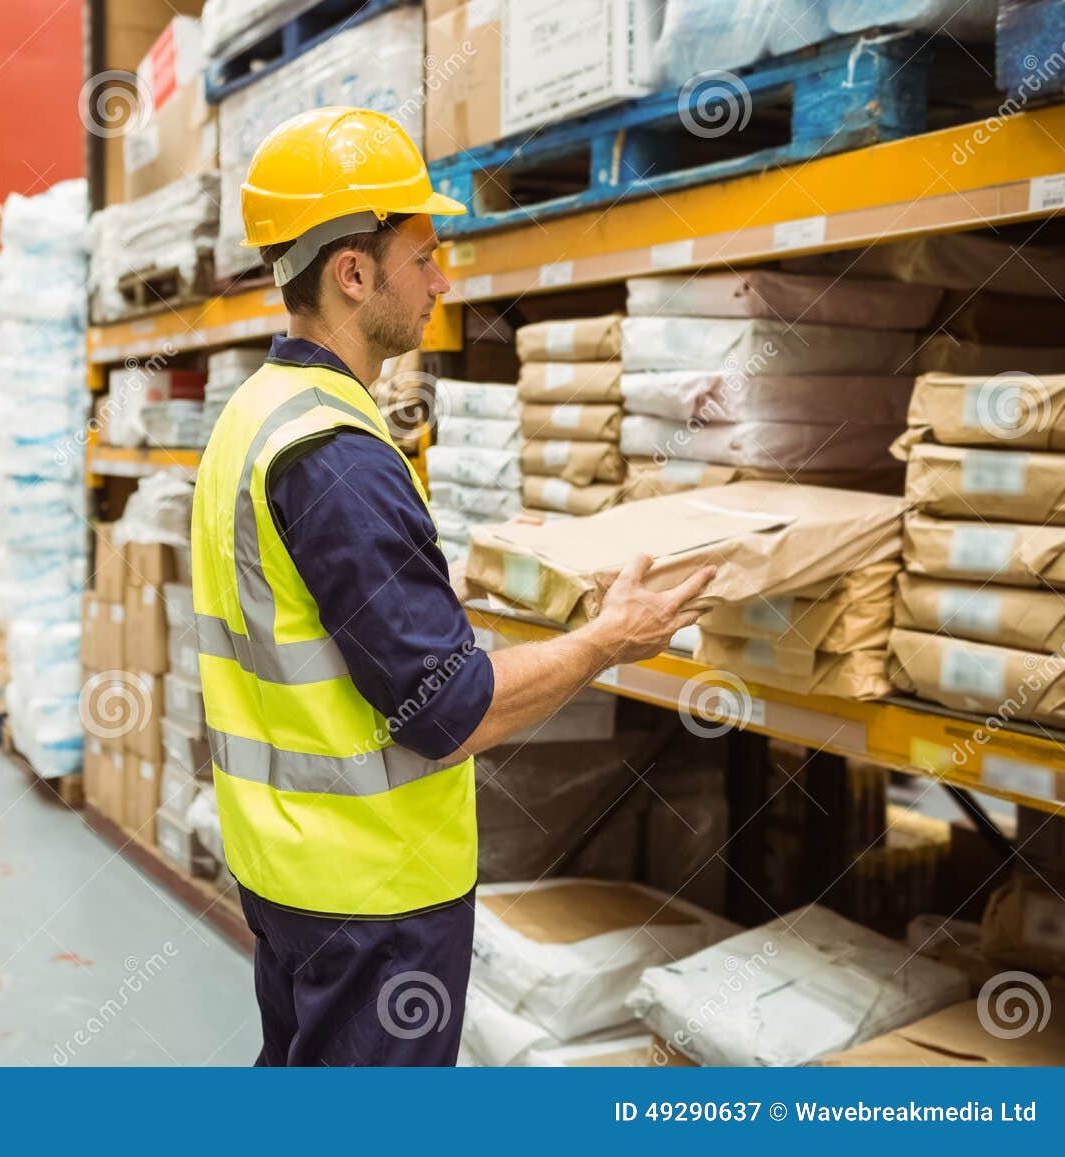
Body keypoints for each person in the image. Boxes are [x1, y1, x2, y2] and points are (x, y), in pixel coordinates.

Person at [190, 107, 717, 1067]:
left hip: (286, 863)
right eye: (423, 256)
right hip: (373, 892)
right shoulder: (335, 455)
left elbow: (315, 622)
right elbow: (450, 711)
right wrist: (607, 638)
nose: (442, 280)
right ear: (353, 272)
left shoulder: (255, 416)